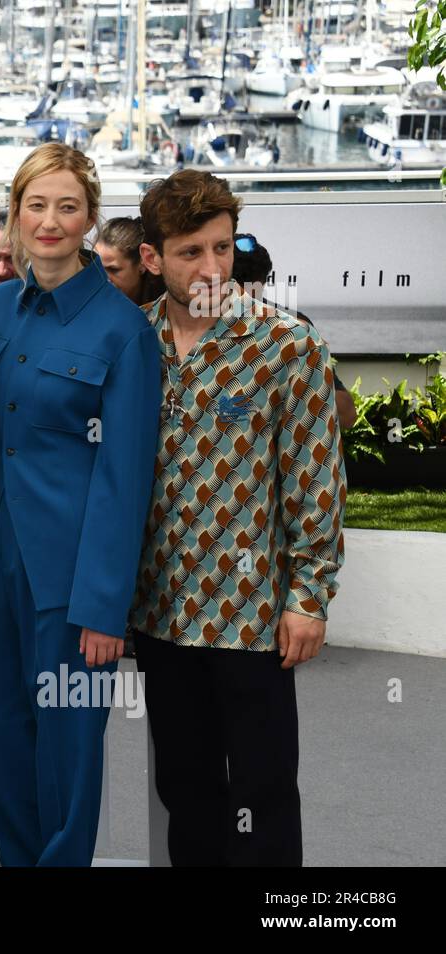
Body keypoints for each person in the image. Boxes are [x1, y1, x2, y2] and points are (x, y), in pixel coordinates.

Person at [133, 170, 346, 866]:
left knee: (263, 792)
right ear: (152, 258)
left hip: (252, 615)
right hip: (159, 610)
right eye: (191, 251)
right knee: (184, 787)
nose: (212, 268)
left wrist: (308, 599)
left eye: (223, 248)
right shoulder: (130, 343)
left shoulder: (287, 347)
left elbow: (316, 483)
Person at [0, 143, 161, 866]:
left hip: (71, 584)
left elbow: (126, 475)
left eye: (67, 207)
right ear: (16, 212)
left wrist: (104, 608)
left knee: (68, 757)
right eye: (36, 205)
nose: (49, 222)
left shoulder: (124, 332)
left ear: (89, 218)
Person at [231, 232, 357, 429]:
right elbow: (347, 415)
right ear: (265, 279)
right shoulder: (296, 327)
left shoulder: (295, 329)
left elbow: (347, 414)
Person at [96, 215, 166, 306]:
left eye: (113, 270)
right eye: (97, 268)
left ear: (143, 264)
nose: (103, 278)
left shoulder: (166, 306)